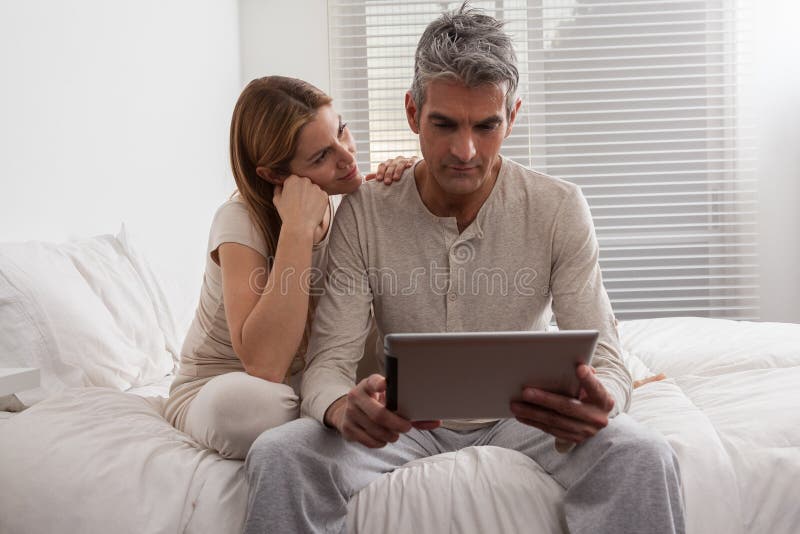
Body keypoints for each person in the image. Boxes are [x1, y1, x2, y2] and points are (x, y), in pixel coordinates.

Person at [244, 5, 686, 534]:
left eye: (486, 125)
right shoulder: (365, 209)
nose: (465, 150)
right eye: (444, 124)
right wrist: (340, 407)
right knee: (279, 453)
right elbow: (329, 363)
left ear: (512, 117)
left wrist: (603, 400)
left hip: (528, 421)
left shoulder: (560, 206)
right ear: (413, 113)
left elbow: (607, 358)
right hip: (404, 423)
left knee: (643, 453)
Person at [163, 76, 413, 460]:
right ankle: (323, 411)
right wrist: (296, 230)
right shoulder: (239, 220)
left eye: (341, 130)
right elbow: (265, 365)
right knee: (249, 407)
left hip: (310, 381)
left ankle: (324, 409)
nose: (347, 157)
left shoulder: (348, 203)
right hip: (228, 386)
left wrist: (411, 181)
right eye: (321, 156)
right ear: (275, 175)